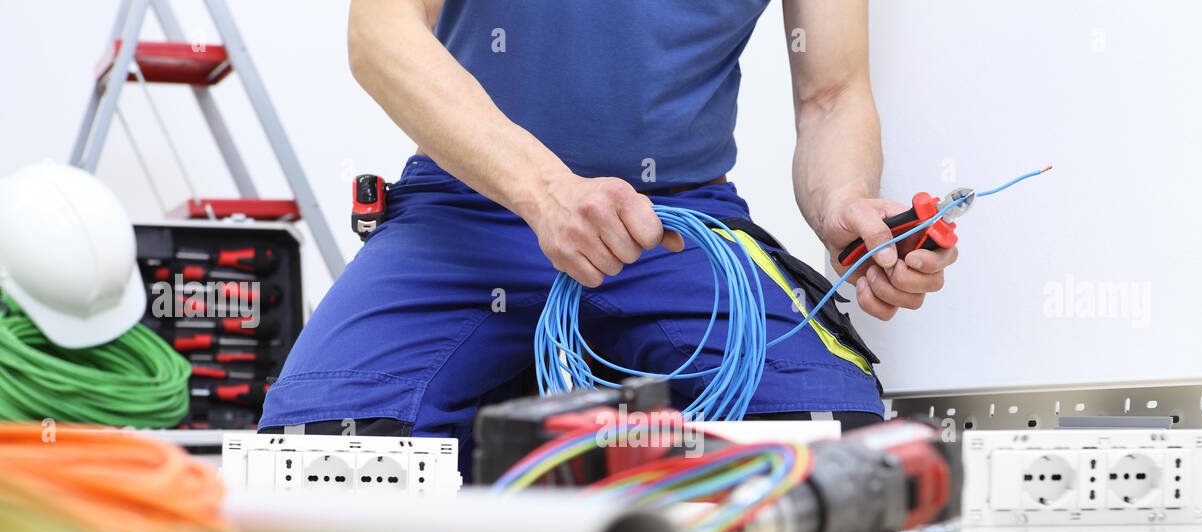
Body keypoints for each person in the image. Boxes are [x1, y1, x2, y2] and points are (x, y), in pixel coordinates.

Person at [260, 0, 959, 473]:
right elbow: (380, 35)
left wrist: (844, 202)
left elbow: (832, 96)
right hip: (466, 212)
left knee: (841, 453)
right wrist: (545, 192)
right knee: (324, 459)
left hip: (681, 229)